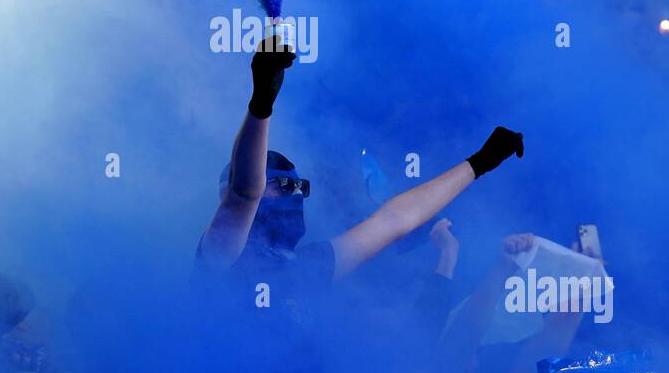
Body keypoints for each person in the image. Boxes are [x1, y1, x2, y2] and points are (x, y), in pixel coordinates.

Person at [195, 37, 525, 303]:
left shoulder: (308, 266)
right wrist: (261, 103)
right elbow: (244, 194)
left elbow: (393, 221)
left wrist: (481, 162)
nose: (295, 194)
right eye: (281, 183)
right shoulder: (220, 259)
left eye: (300, 187)